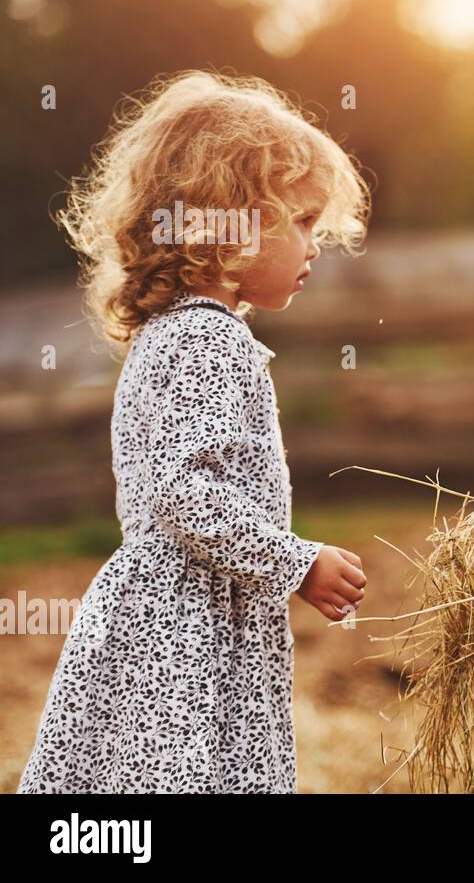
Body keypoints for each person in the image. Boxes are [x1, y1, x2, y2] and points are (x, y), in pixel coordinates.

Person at [19, 70, 371, 793]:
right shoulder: (207, 342)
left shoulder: (176, 333)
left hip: (193, 620)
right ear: (228, 223)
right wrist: (295, 560)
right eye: (302, 221)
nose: (316, 245)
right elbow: (185, 492)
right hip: (185, 631)